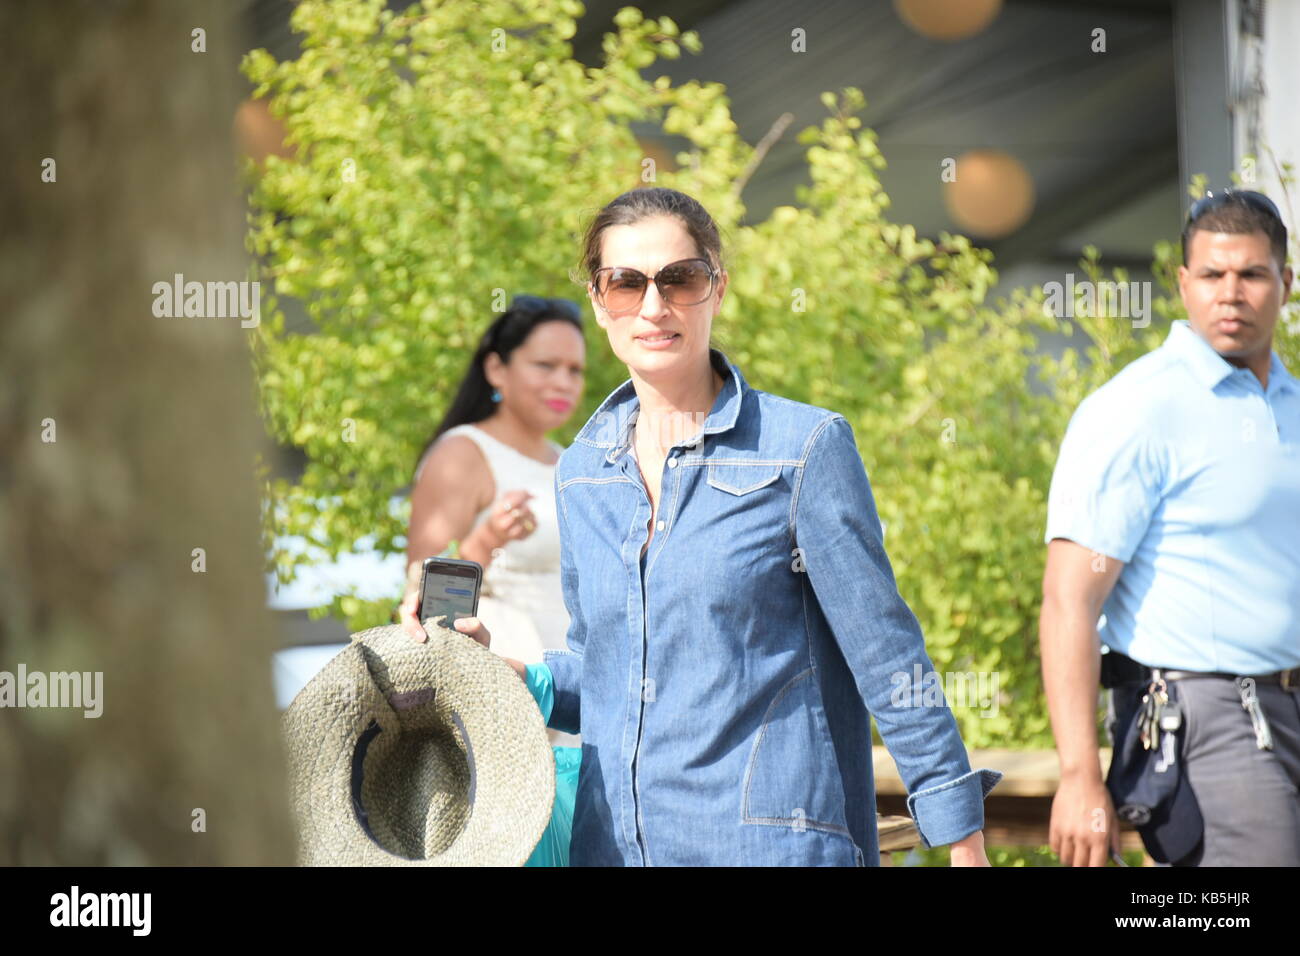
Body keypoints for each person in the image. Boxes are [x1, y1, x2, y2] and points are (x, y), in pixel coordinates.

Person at [423, 186, 1001, 866]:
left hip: (768, 847)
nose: (653, 305)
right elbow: (608, 678)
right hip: (616, 850)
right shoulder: (582, 472)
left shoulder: (803, 447)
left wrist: (962, 839)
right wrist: (511, 675)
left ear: (716, 289)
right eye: (626, 282)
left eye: (680, 279)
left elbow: (888, 656)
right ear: (599, 299)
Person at [1041, 188, 1300, 867]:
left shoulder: (1296, 407)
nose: (1231, 293)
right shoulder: (1137, 409)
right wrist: (1079, 776)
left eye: (1251, 274)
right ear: (1184, 285)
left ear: (1286, 283)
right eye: (1212, 275)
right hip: (1207, 716)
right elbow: (1070, 600)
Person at [397, 295, 585, 748]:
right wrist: (486, 541)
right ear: (497, 369)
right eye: (545, 365)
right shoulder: (462, 452)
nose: (564, 382)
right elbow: (418, 597)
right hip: (501, 689)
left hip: (571, 693)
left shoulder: (571, 463)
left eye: (575, 370)